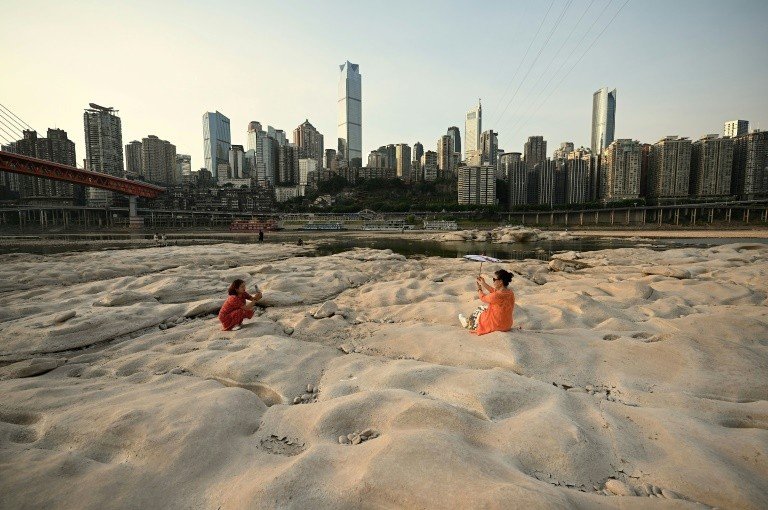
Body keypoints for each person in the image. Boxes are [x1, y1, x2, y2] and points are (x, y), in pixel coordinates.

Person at [459, 269, 515, 335]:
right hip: (507, 325)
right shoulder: (510, 293)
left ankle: (468, 324)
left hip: (497, 325)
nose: (493, 281)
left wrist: (479, 289)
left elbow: (483, 298)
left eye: (494, 279)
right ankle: (471, 322)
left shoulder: (496, 295)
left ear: (500, 282)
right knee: (484, 308)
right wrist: (483, 283)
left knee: (479, 311)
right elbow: (494, 291)